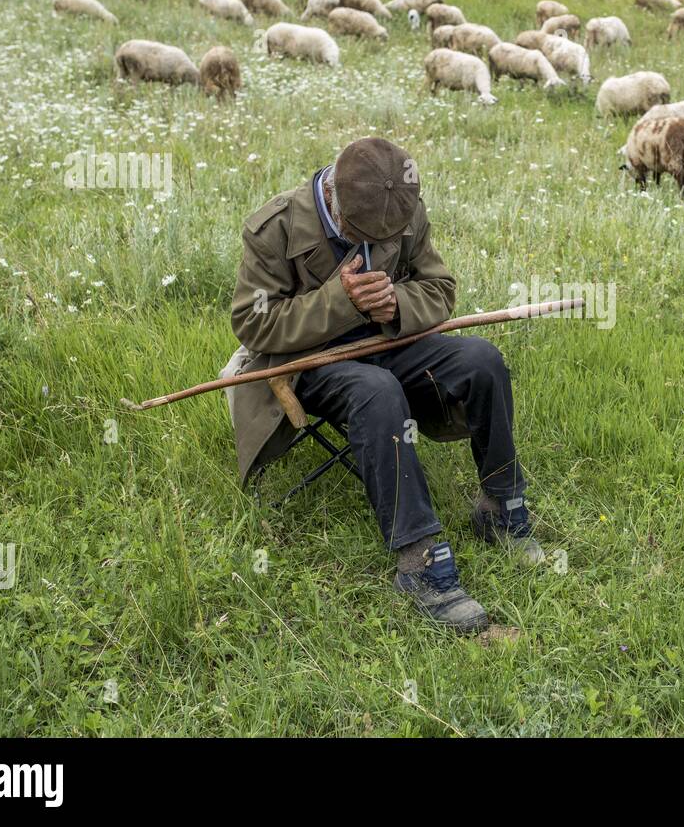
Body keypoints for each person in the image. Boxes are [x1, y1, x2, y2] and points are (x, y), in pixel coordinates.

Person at [227, 137, 542, 633]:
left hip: (393, 339)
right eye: (358, 233)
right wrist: (340, 302)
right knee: (377, 391)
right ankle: (420, 562)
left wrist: (396, 303)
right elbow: (253, 322)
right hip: (311, 359)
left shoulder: (402, 207)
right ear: (332, 194)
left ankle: (501, 506)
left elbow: (439, 288)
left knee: (483, 360)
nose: (375, 239)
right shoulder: (277, 226)